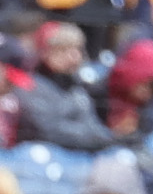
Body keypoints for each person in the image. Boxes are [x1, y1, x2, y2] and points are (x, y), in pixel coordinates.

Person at [15, 17, 118, 150]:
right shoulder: (30, 85)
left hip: (83, 152)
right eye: (64, 49)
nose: (75, 57)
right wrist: (95, 138)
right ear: (44, 52)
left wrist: (112, 138)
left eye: (78, 49)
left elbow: (91, 123)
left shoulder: (75, 85)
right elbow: (50, 130)